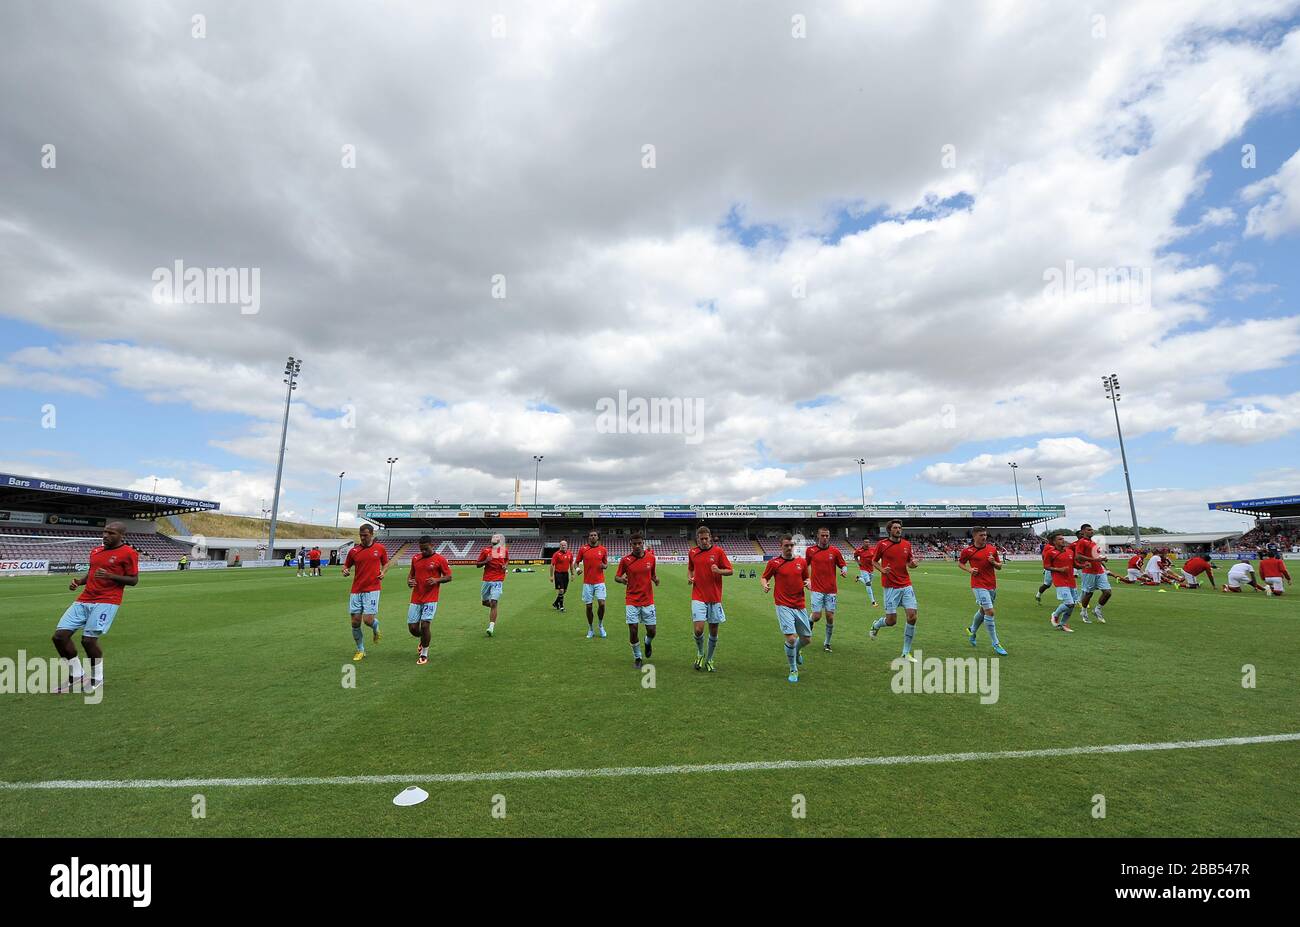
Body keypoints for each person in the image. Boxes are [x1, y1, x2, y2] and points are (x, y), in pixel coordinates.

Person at [52, 522, 139, 693]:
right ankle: (77, 675)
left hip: (107, 601)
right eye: (105, 532)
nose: (106, 536)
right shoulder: (96, 551)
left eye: (111, 533)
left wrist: (110, 576)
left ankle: (97, 678)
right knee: (59, 637)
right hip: (85, 598)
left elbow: (134, 580)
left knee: (88, 640)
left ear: (122, 536)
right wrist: (79, 582)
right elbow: (92, 573)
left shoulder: (128, 553)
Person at [761, 534, 811, 684]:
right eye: (786, 545)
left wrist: (808, 582)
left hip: (800, 604)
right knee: (791, 638)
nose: (789, 548)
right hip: (783, 605)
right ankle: (793, 669)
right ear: (780, 546)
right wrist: (764, 584)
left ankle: (796, 651)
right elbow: (764, 577)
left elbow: (806, 577)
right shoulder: (774, 563)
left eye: (791, 545)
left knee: (807, 639)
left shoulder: (801, 562)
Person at [868, 520, 920, 661]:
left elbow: (910, 562)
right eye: (895, 528)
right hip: (890, 586)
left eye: (899, 527)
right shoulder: (882, 545)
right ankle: (877, 624)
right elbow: (873, 561)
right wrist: (882, 570)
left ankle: (905, 652)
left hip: (906, 585)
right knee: (891, 621)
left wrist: (913, 565)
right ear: (889, 530)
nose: (898, 530)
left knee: (912, 616)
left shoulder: (906, 544)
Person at [687, 524, 733, 671]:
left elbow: (730, 571)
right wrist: (690, 577)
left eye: (706, 539)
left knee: (713, 631)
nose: (704, 541)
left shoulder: (718, 552)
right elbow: (690, 568)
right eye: (701, 539)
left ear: (710, 538)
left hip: (714, 597)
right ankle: (700, 653)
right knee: (699, 630)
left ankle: (710, 659)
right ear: (697, 539)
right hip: (698, 595)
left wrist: (719, 570)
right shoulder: (692, 552)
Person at [341, 525, 388, 660]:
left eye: (365, 535)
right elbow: (346, 565)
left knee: (367, 620)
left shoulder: (380, 549)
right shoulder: (354, 551)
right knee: (355, 622)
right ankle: (360, 650)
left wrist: (383, 572)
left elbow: (385, 563)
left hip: (372, 589)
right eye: (361, 535)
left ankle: (375, 625)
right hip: (356, 590)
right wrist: (344, 570)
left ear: (372, 534)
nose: (362, 537)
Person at [959, 526, 1007, 654]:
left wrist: (993, 563)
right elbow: (960, 563)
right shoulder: (968, 551)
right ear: (974, 536)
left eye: (985, 535)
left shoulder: (992, 549)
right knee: (990, 612)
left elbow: (999, 567)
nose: (984, 537)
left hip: (991, 585)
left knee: (983, 610)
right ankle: (996, 643)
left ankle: (972, 630)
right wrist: (969, 570)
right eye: (981, 535)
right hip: (978, 585)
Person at [615, 531, 659, 669]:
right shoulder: (625, 560)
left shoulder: (651, 558)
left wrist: (655, 579)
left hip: (648, 600)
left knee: (652, 631)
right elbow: (616, 576)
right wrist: (622, 580)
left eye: (640, 543)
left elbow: (652, 574)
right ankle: (638, 657)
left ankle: (647, 642)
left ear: (643, 543)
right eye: (635, 544)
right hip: (632, 600)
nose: (638, 546)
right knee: (633, 630)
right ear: (630, 545)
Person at [407, 536, 452, 665]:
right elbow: (411, 575)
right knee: (413, 629)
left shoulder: (440, 559)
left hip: (431, 598)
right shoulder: (415, 558)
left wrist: (437, 580)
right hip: (416, 598)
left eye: (426, 549)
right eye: (421, 549)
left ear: (432, 545)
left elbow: (449, 577)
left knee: (425, 625)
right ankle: (423, 640)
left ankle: (424, 654)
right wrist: (409, 582)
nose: (423, 552)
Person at [805, 527, 848, 652]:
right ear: (818, 536)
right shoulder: (810, 550)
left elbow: (843, 565)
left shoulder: (834, 551)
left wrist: (844, 571)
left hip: (831, 589)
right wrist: (807, 580)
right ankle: (810, 621)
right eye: (822, 535)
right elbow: (805, 565)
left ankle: (827, 643)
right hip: (817, 589)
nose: (825, 538)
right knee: (817, 616)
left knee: (830, 616)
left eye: (827, 536)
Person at [1074, 524, 1111, 624]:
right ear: (1083, 532)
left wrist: (1103, 558)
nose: (1092, 531)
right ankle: (1084, 612)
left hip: (1099, 570)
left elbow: (1096, 555)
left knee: (1107, 592)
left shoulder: (1093, 542)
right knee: (1088, 593)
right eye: (1089, 530)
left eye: (1092, 530)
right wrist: (1094, 559)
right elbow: (1078, 557)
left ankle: (1097, 609)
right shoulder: (1082, 542)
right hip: (1088, 571)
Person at [576, 530, 609, 639]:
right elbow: (576, 562)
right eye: (591, 535)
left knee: (602, 604)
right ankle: (590, 628)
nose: (593, 537)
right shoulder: (583, 549)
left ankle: (600, 625)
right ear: (588, 537)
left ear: (598, 537)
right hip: (587, 583)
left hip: (600, 582)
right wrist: (577, 569)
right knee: (589, 607)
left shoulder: (603, 549)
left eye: (595, 535)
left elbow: (606, 564)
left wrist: (604, 566)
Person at [475, 533, 509, 636]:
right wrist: (486, 561)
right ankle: (494, 609)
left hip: (498, 579)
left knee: (494, 602)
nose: (494, 538)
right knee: (485, 602)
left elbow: (507, 560)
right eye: (493, 537)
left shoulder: (504, 550)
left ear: (500, 540)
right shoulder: (485, 551)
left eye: (497, 537)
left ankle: (491, 627)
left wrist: (505, 566)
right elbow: (477, 565)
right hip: (487, 579)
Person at [1044, 532, 1078, 632]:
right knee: (1069, 603)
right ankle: (1055, 615)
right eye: (1060, 539)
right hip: (1060, 580)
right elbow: (1046, 566)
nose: (1062, 540)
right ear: (1054, 542)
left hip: (1071, 580)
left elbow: (1075, 564)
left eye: (1063, 538)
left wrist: (1084, 565)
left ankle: (1063, 624)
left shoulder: (1070, 552)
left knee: (1072, 604)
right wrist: (1059, 570)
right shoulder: (1050, 553)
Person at [852, 537, 879, 607]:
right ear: (863, 543)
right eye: (866, 542)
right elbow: (855, 556)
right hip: (863, 569)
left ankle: (859, 578)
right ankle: (873, 602)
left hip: (871, 569)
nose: (867, 543)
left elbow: (876, 556)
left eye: (868, 542)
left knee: (869, 584)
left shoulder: (873, 549)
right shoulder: (859, 550)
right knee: (868, 584)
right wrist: (858, 562)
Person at [549, 540, 573, 611]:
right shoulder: (556, 554)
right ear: (560, 546)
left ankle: (556, 603)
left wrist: (572, 574)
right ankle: (561, 606)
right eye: (562, 545)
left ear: (567, 545)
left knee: (564, 590)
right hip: (558, 573)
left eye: (564, 545)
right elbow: (552, 565)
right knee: (561, 590)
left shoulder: (569, 554)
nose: (563, 546)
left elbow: (571, 564)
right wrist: (551, 576)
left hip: (566, 574)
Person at [1035, 538, 1055, 604]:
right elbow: (1044, 556)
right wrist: (1046, 565)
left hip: (1058, 568)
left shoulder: (1058, 546)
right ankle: (1038, 594)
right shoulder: (1048, 547)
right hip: (1050, 568)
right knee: (1047, 584)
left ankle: (1072, 600)